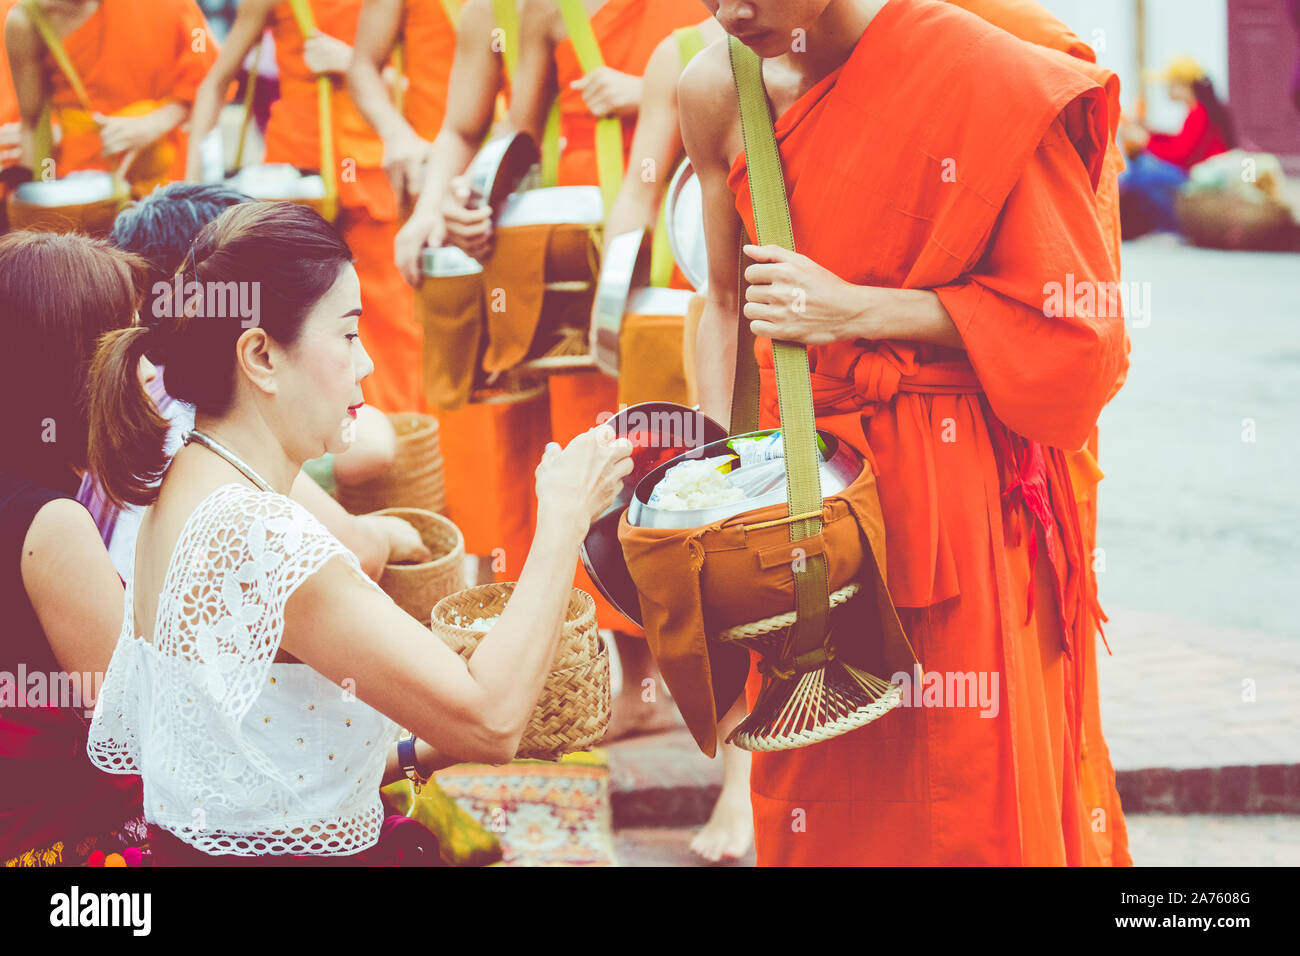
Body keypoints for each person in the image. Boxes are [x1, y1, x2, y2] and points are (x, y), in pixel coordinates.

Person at [680, 0, 1129, 865]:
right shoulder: (718, 87)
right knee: (818, 785)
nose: (733, 11)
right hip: (800, 494)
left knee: (963, 787)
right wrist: (714, 482)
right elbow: (729, 304)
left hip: (955, 487)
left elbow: (1079, 330)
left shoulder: (979, 74)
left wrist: (858, 309)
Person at [84, 200, 632, 864]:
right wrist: (565, 518)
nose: (368, 363)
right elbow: (491, 720)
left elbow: (260, 764)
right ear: (260, 355)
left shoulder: (186, 485)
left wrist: (419, 743)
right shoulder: (258, 532)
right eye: (347, 335)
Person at [84, 181, 428, 583]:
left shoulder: (156, 394)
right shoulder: (219, 449)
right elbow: (356, 551)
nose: (365, 364)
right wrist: (383, 536)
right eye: (347, 335)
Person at [186, 0, 422, 414]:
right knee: (295, 319)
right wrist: (189, 186)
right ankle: (316, 438)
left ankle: (394, 442)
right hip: (296, 173)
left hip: (371, 163)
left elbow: (423, 83)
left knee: (390, 325)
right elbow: (215, 81)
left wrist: (351, 62)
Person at [0, 231, 146, 866]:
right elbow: (146, 728)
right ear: (73, 369)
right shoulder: (51, 523)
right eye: (133, 350)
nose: (149, 374)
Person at [5, 0, 218, 195]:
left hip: (161, 168)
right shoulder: (27, 18)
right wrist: (39, 194)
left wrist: (153, 124)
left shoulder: (171, 5)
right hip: (78, 180)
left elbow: (207, 75)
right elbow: (32, 124)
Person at [1118, 56, 1234, 236]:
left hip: (1198, 176)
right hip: (1194, 171)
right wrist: (1151, 135)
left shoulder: (1199, 113)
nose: (1167, 90)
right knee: (1139, 169)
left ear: (1184, 86)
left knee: (1142, 169)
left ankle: (1164, 222)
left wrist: (1145, 141)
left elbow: (1179, 155)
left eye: (1170, 85)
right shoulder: (1198, 110)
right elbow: (1180, 142)